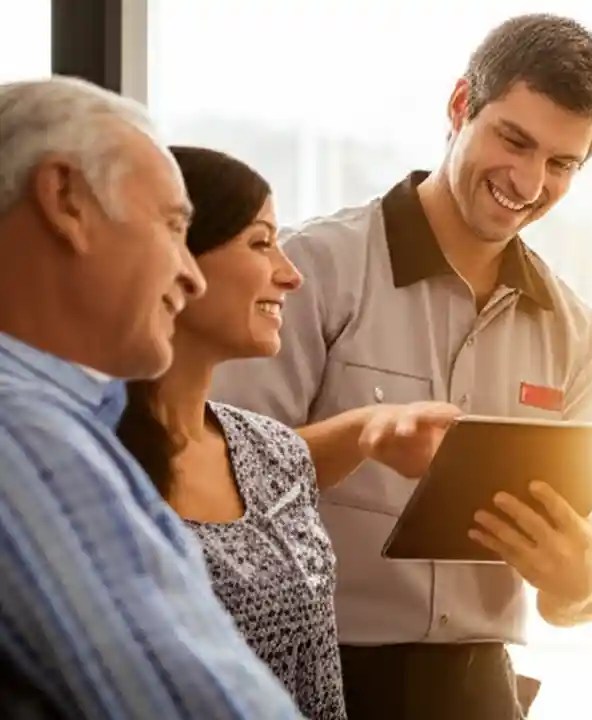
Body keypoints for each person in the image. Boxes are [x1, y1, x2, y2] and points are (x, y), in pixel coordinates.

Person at [211, 13, 592, 719]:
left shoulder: (581, 337)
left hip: (478, 693)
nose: (529, 181)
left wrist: (579, 578)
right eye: (514, 139)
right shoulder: (311, 273)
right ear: (459, 106)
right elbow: (218, 490)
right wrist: (364, 433)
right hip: (307, 679)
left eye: (562, 164)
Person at [114, 145, 461, 720]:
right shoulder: (76, 460)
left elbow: (319, 692)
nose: (290, 272)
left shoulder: (275, 456)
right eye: (259, 242)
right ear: (175, 259)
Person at [0, 77, 303, 718]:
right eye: (172, 227)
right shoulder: (25, 433)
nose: (188, 274)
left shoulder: (64, 424)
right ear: (66, 200)